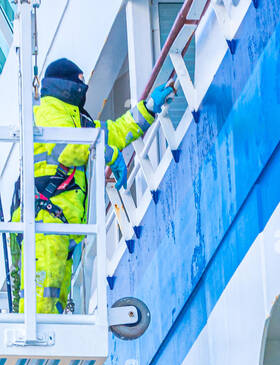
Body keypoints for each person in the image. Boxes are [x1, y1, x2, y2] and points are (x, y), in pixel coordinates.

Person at [11, 58, 173, 314]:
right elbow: (68, 148)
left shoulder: (78, 121)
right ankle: (41, 348)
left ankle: (52, 343)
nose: (83, 87)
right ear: (66, 83)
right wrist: (106, 152)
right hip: (44, 223)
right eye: (79, 81)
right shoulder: (48, 112)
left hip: (59, 226)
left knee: (55, 298)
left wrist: (147, 109)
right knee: (43, 300)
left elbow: (114, 132)